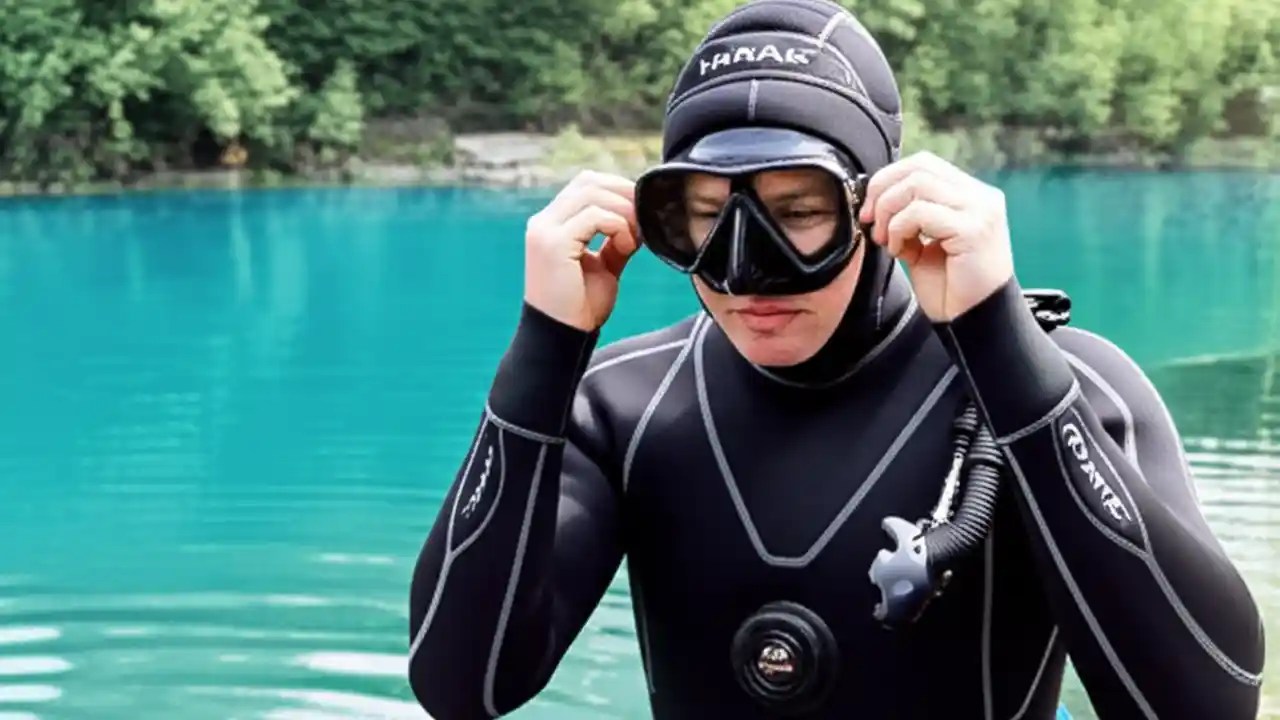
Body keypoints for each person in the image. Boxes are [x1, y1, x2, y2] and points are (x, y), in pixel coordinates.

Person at [406, 0, 1266, 717]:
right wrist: (544, 356)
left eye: (797, 210)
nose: (745, 268)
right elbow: (462, 687)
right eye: (705, 215)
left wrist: (1004, 348)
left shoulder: (1053, 386)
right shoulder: (624, 405)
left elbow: (1207, 701)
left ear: (874, 205)